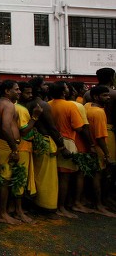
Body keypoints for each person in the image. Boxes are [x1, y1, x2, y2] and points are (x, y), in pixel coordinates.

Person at [48, 81, 93, 219]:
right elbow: (79, 128)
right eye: (67, 87)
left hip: (52, 142)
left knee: (57, 176)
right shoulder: (70, 106)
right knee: (65, 177)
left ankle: (59, 205)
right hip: (67, 142)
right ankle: (61, 207)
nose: (69, 89)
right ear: (63, 91)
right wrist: (90, 144)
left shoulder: (48, 104)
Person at [27, 77, 66, 213]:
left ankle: (36, 203)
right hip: (44, 142)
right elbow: (52, 128)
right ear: (38, 88)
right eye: (44, 85)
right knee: (47, 178)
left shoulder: (30, 103)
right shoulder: (42, 105)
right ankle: (46, 206)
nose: (47, 87)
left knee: (37, 175)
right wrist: (62, 146)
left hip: (35, 142)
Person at [0, 80, 21, 225]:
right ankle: (2, 214)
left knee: (1, 180)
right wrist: (14, 148)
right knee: (5, 180)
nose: (19, 92)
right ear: (7, 91)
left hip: (0, 143)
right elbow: (5, 127)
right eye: (16, 89)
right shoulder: (8, 105)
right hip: (5, 146)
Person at [85, 85, 116, 217]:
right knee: (99, 175)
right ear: (96, 97)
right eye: (105, 95)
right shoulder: (99, 113)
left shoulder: (87, 106)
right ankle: (99, 205)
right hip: (98, 147)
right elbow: (100, 137)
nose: (108, 98)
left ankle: (96, 202)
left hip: (89, 146)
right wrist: (107, 154)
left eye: (108, 95)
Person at [15, 82, 43, 223]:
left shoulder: (20, 108)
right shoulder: (20, 109)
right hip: (23, 147)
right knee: (20, 179)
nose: (30, 96)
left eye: (31, 93)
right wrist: (35, 117)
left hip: (23, 147)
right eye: (26, 93)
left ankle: (16, 208)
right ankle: (18, 211)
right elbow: (24, 130)